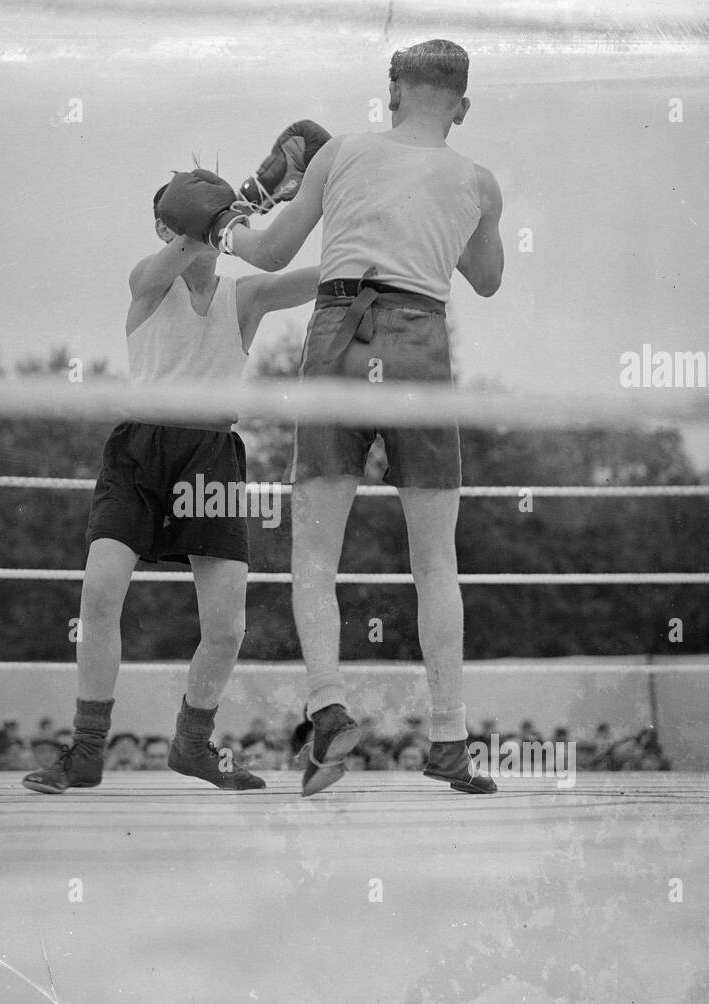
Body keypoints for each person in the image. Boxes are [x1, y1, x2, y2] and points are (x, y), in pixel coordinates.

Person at [221, 38, 504, 796]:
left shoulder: (339, 152)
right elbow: (488, 280)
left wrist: (224, 222)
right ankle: (449, 742)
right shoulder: (477, 180)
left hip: (338, 330)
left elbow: (272, 254)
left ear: (391, 95)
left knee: (315, 555)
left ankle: (328, 707)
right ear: (463, 107)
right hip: (420, 339)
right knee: (435, 561)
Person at [22, 176, 320, 794]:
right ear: (167, 229)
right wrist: (209, 219)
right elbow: (164, 264)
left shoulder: (248, 295)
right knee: (101, 593)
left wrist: (332, 197)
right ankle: (84, 751)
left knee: (228, 627)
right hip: (141, 450)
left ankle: (191, 744)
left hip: (211, 456)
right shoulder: (149, 282)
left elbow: (327, 278)